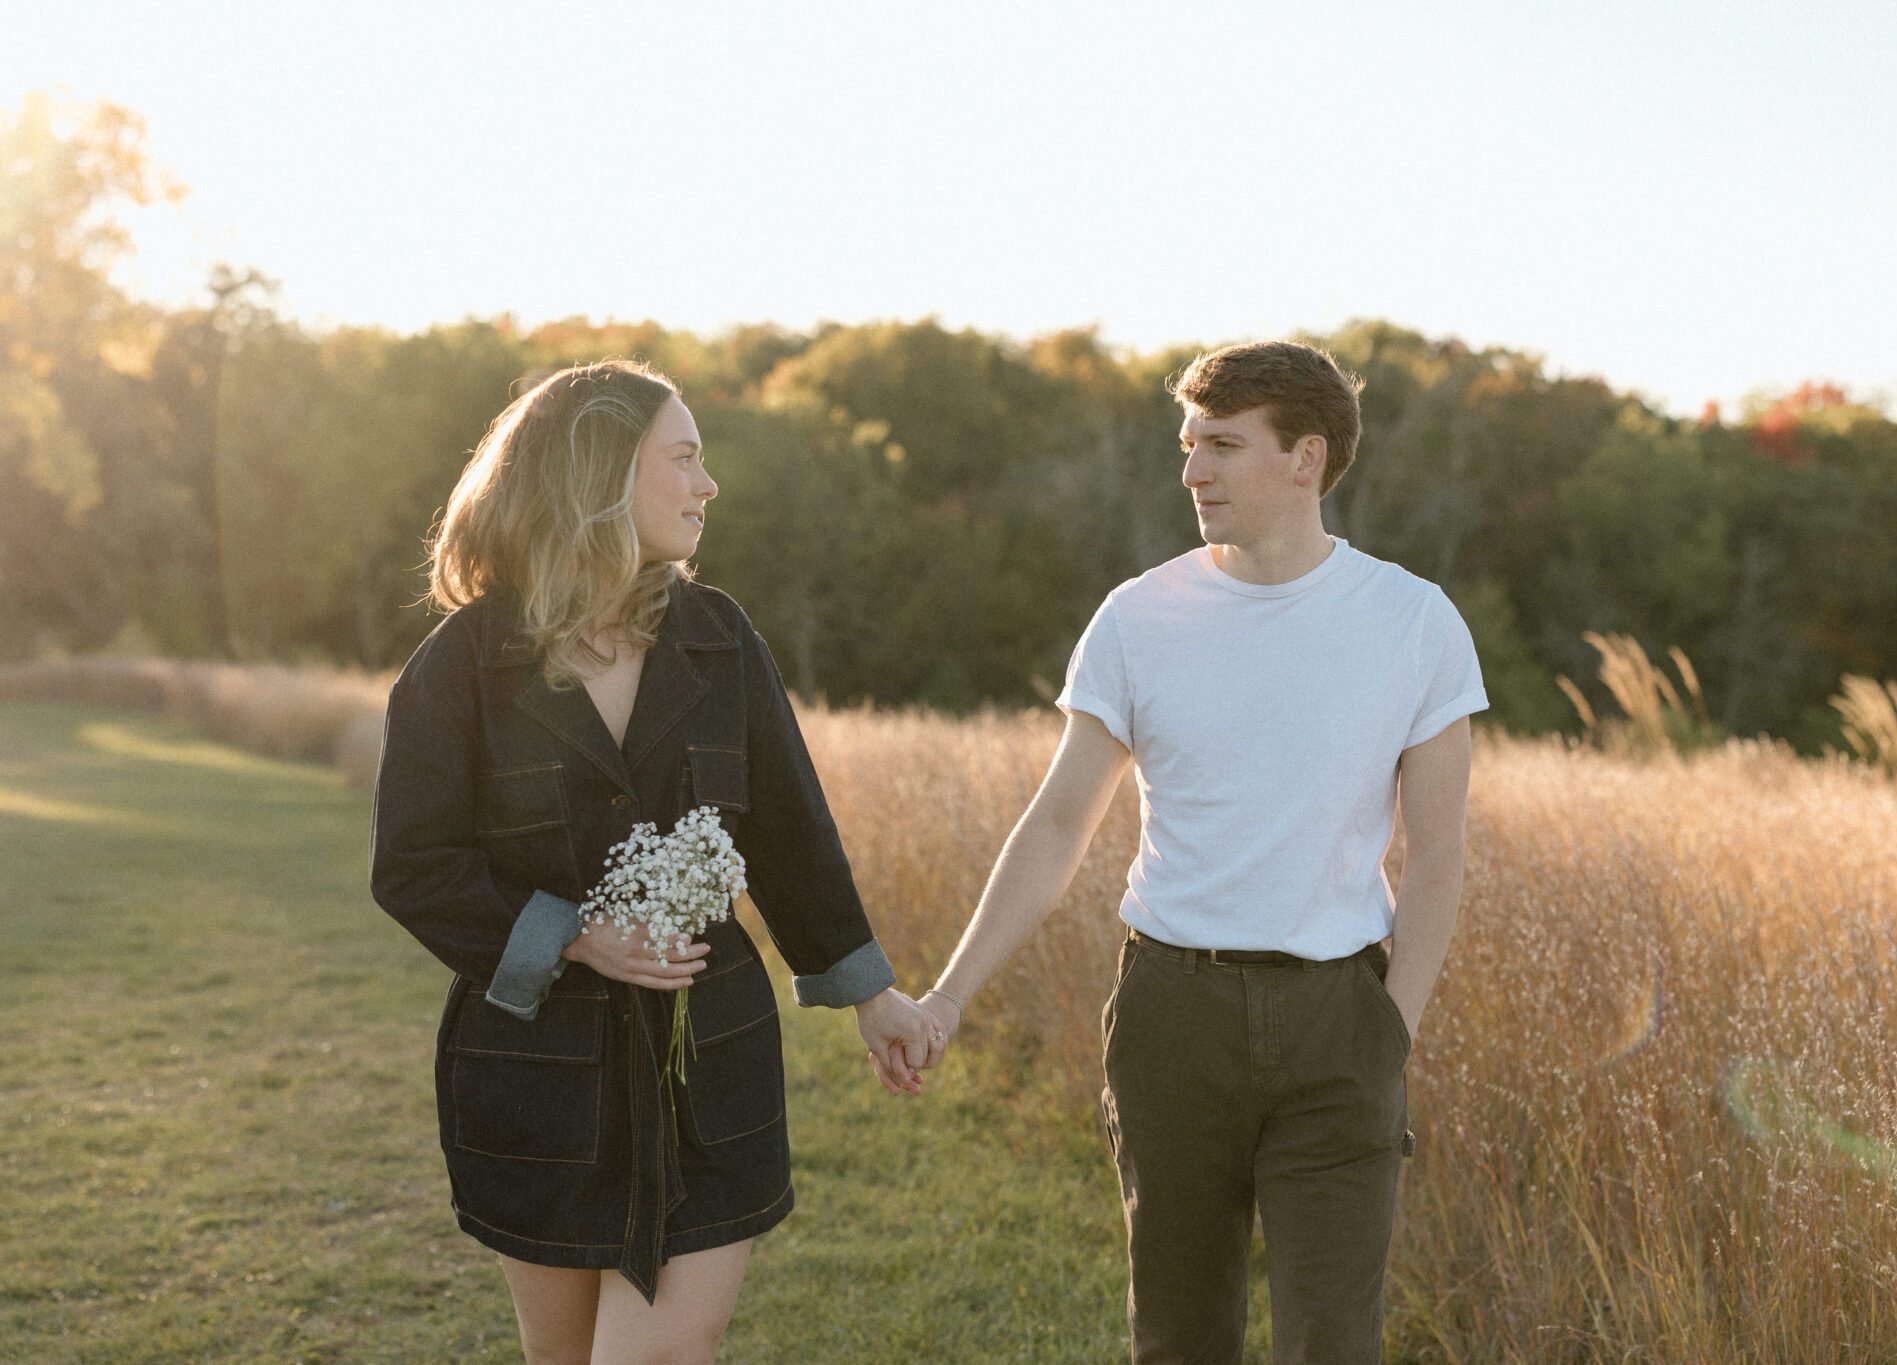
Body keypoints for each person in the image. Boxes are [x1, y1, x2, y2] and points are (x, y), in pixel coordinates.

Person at [912, 341, 1487, 1363]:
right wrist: (949, 995)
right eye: (1187, 445)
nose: (1190, 471)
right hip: (1171, 1019)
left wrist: (1388, 1033)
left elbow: (1438, 853)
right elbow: (1058, 823)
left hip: (1338, 1026)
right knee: (1179, 1337)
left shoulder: (1412, 622)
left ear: (1306, 457)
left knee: (1332, 1343)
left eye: (1221, 445)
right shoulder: (1137, 618)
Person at [368, 358, 940, 1365]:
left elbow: (792, 835)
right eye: (683, 458)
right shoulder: (463, 664)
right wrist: (574, 936)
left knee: (660, 1353)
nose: (707, 485)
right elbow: (414, 864)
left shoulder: (720, 641)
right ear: (598, 474)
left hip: (712, 1066)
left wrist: (868, 993)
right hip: (538, 1084)